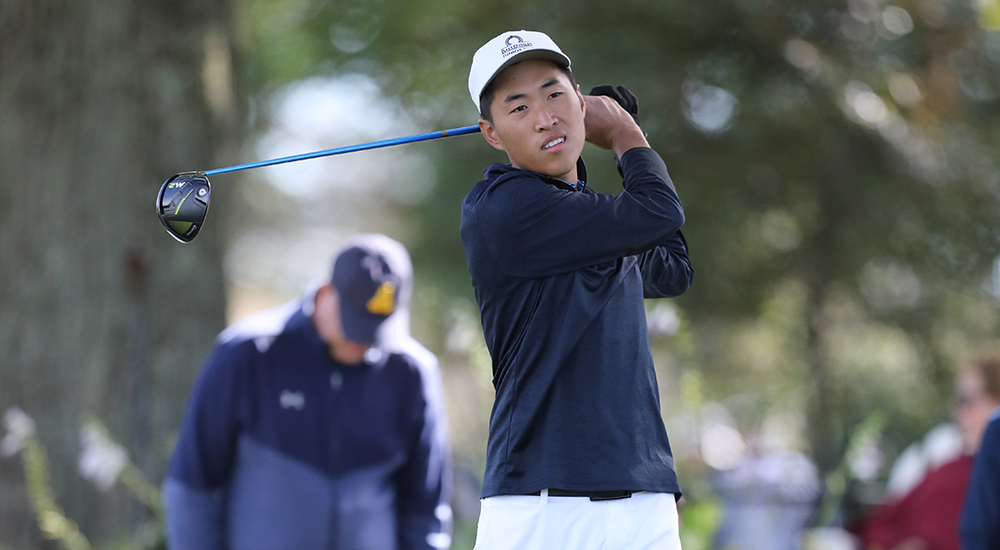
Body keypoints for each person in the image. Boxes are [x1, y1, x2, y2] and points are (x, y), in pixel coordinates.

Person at [460, 30, 693, 549]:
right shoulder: (502, 208)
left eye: (554, 95)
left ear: (580, 101)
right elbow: (658, 211)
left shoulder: (591, 221)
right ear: (491, 134)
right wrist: (627, 136)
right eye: (517, 108)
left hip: (641, 495)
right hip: (541, 502)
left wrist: (631, 140)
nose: (544, 118)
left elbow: (673, 265)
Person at [162, 234, 453, 550]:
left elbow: (425, 509)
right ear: (327, 292)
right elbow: (192, 486)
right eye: (355, 325)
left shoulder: (412, 373)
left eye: (376, 329)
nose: (364, 342)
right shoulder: (248, 354)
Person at [851, 356, 1000, 550]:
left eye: (966, 400)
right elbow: (886, 521)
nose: (957, 411)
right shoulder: (946, 464)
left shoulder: (984, 471)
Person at [960, 366, 1000, 549]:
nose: (961, 411)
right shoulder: (947, 465)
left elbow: (978, 534)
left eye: (967, 400)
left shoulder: (995, 433)